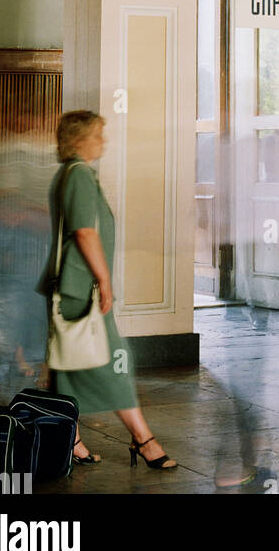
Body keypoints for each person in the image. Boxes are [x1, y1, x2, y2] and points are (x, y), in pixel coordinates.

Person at [37, 110, 177, 469]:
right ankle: (143, 440)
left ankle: (71, 441)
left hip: (70, 286)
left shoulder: (68, 174)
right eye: (99, 135)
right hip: (80, 289)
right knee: (113, 364)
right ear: (81, 139)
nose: (104, 142)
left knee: (67, 366)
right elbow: (85, 232)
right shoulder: (79, 175)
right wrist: (104, 279)